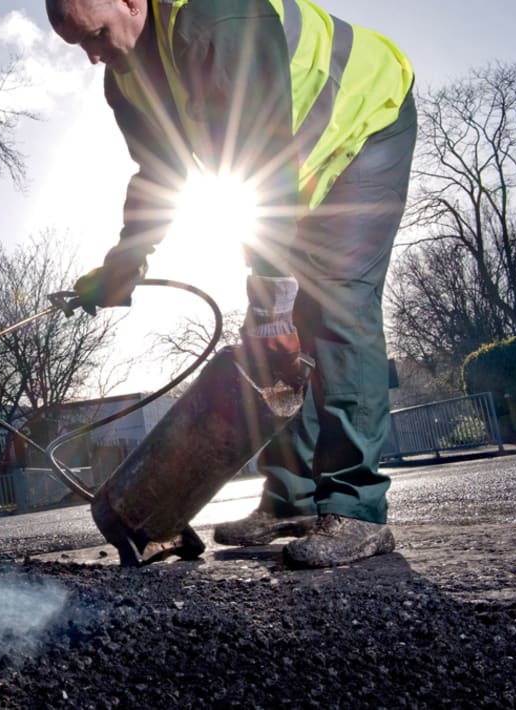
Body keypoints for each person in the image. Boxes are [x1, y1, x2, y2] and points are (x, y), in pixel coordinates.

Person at [46, 0, 417, 567]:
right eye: (79, 45)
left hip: (363, 123)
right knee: (268, 344)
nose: (92, 55)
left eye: (95, 35)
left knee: (337, 306)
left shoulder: (214, 16)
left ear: (130, 3)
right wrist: (121, 267)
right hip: (292, 171)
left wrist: (271, 296)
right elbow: (160, 174)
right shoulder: (125, 83)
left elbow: (263, 153)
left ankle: (356, 507)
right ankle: (290, 497)